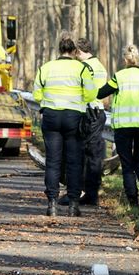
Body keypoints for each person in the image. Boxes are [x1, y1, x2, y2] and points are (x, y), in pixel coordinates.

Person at [32, 33, 97, 216]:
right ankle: (73, 205)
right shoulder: (81, 68)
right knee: (74, 162)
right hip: (73, 118)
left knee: (53, 161)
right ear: (74, 51)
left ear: (59, 49)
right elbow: (91, 94)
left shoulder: (46, 68)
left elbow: (37, 95)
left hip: (51, 117)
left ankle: (52, 203)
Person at [97, 44, 139, 206]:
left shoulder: (119, 77)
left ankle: (133, 200)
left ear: (124, 60)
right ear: (138, 58)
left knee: (127, 163)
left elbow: (100, 93)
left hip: (123, 127)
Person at [61, 38, 109, 207]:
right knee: (94, 155)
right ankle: (92, 193)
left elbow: (80, 90)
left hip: (88, 113)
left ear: (78, 51)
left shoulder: (85, 67)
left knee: (80, 154)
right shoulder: (99, 65)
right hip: (98, 112)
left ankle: (79, 192)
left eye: (75, 53)